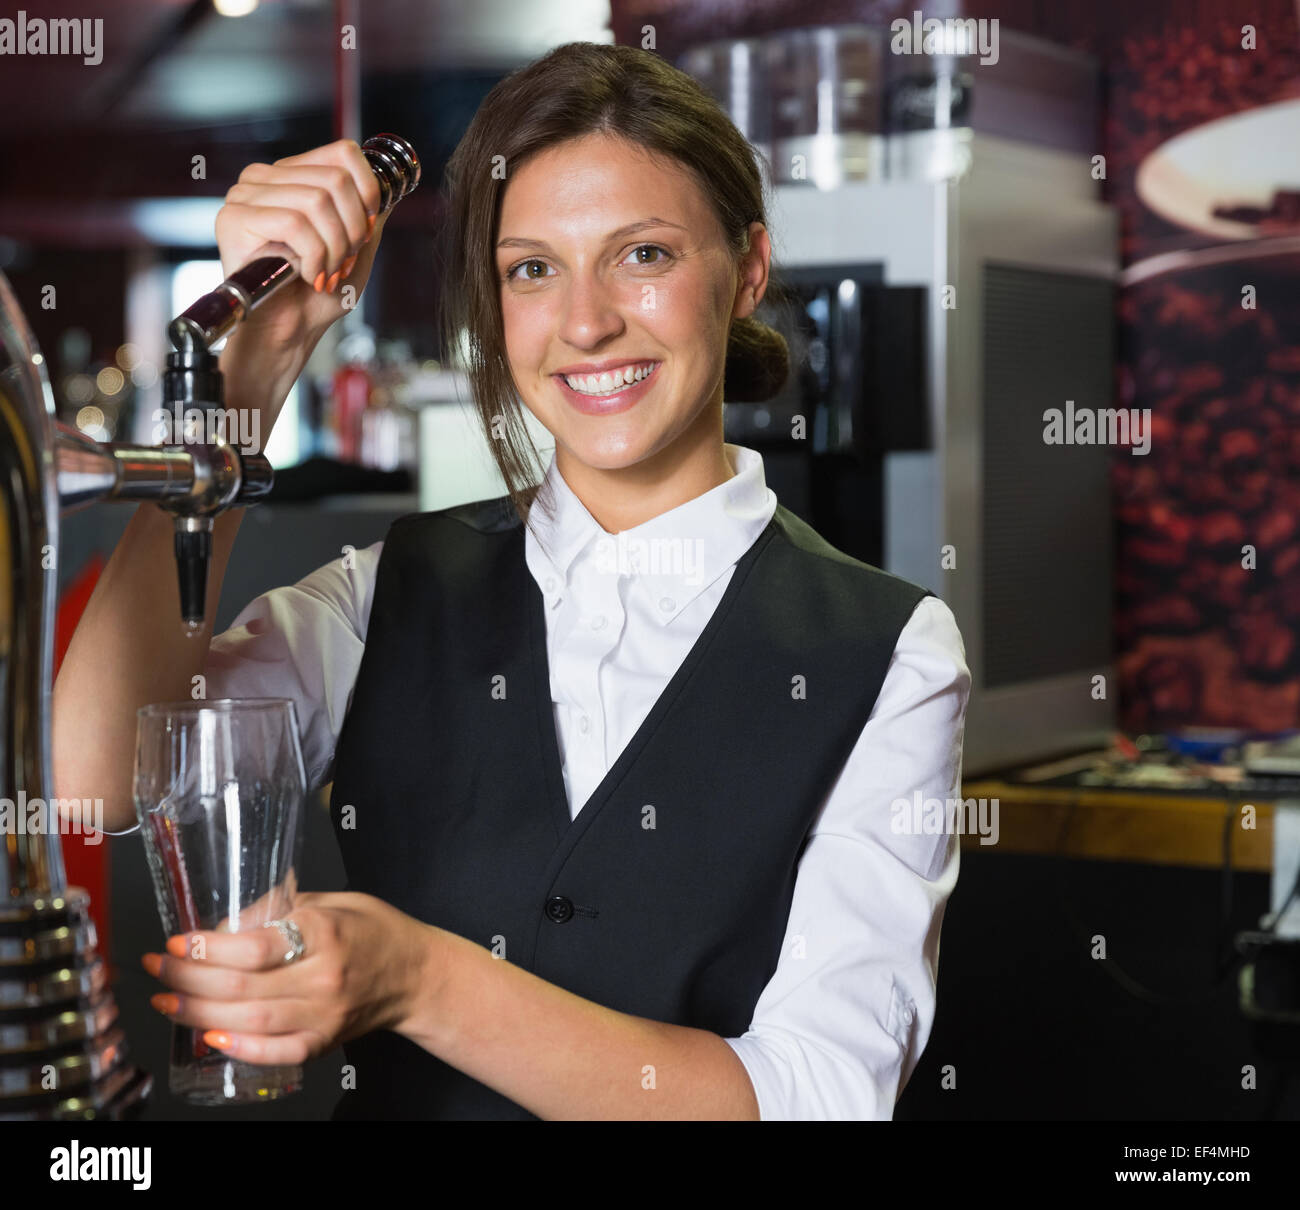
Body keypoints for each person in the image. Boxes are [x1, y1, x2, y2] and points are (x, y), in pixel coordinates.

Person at [53, 41, 970, 1121]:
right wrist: (248, 373)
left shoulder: (890, 652)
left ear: (748, 269)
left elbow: (819, 1096)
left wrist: (415, 976)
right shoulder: (386, 593)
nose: (585, 322)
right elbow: (94, 772)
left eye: (642, 255)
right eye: (532, 268)